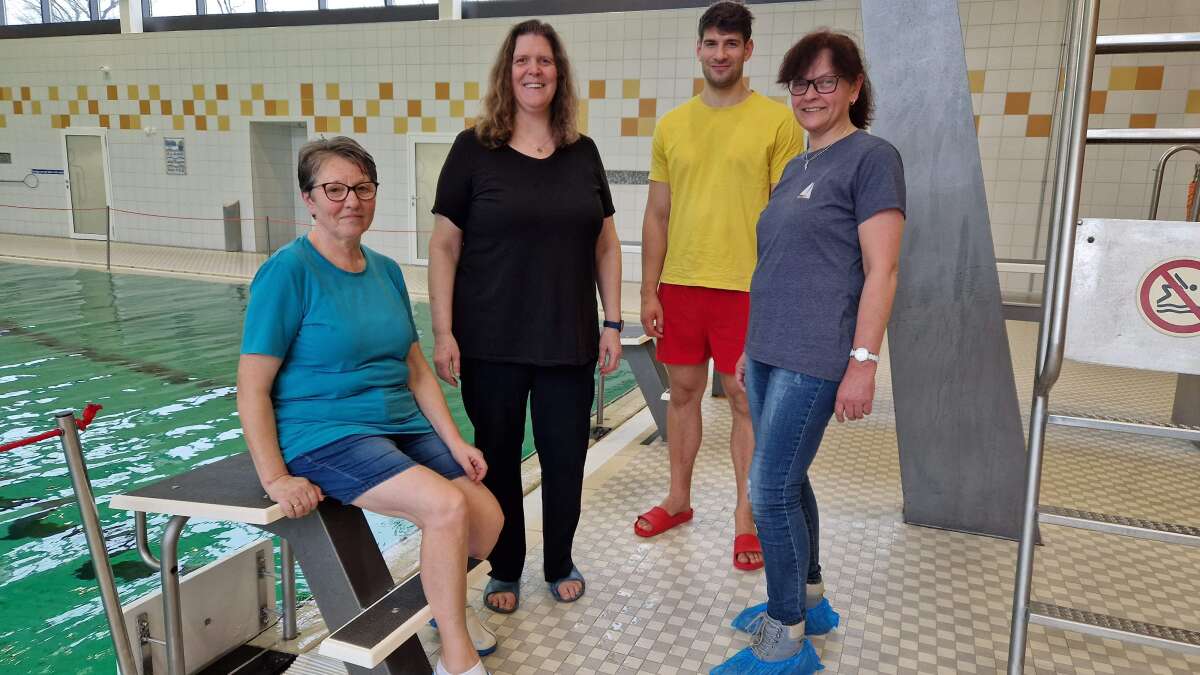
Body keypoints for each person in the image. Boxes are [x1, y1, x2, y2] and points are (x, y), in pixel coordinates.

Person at [237, 136, 504, 675]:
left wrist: (455, 441)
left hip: (397, 422)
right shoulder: (288, 272)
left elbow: (415, 367)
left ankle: (444, 605)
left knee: (487, 521)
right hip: (326, 431)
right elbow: (251, 387)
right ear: (309, 199)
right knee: (445, 508)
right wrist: (276, 478)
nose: (351, 201)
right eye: (334, 189)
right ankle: (457, 656)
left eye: (362, 188)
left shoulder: (385, 270)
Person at [714, 30, 906, 674]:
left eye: (826, 82)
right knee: (789, 480)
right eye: (800, 83)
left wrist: (863, 362)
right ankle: (810, 596)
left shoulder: (872, 158)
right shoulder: (797, 166)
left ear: (854, 88)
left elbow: (882, 270)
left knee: (768, 490)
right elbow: (777, 264)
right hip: (770, 348)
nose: (811, 94)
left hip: (816, 353)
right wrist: (751, 346)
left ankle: (787, 628)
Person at [428, 19, 622, 615]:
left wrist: (614, 322)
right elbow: (444, 246)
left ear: (558, 73)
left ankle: (559, 559)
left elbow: (606, 244)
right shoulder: (472, 149)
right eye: (522, 60)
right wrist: (443, 331)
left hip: (568, 338)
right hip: (490, 339)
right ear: (506, 73)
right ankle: (505, 564)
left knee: (566, 460)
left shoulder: (583, 152)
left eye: (543, 60)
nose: (533, 70)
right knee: (497, 459)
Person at [634, 1, 802, 573]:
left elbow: (785, 217)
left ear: (749, 50)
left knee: (743, 400)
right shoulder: (672, 125)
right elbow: (657, 214)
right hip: (682, 283)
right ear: (699, 48)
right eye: (711, 43)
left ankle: (745, 517)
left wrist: (779, 293)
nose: (720, 53)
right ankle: (678, 499)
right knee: (682, 392)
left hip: (746, 287)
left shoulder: (778, 122)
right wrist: (649, 289)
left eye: (731, 44)